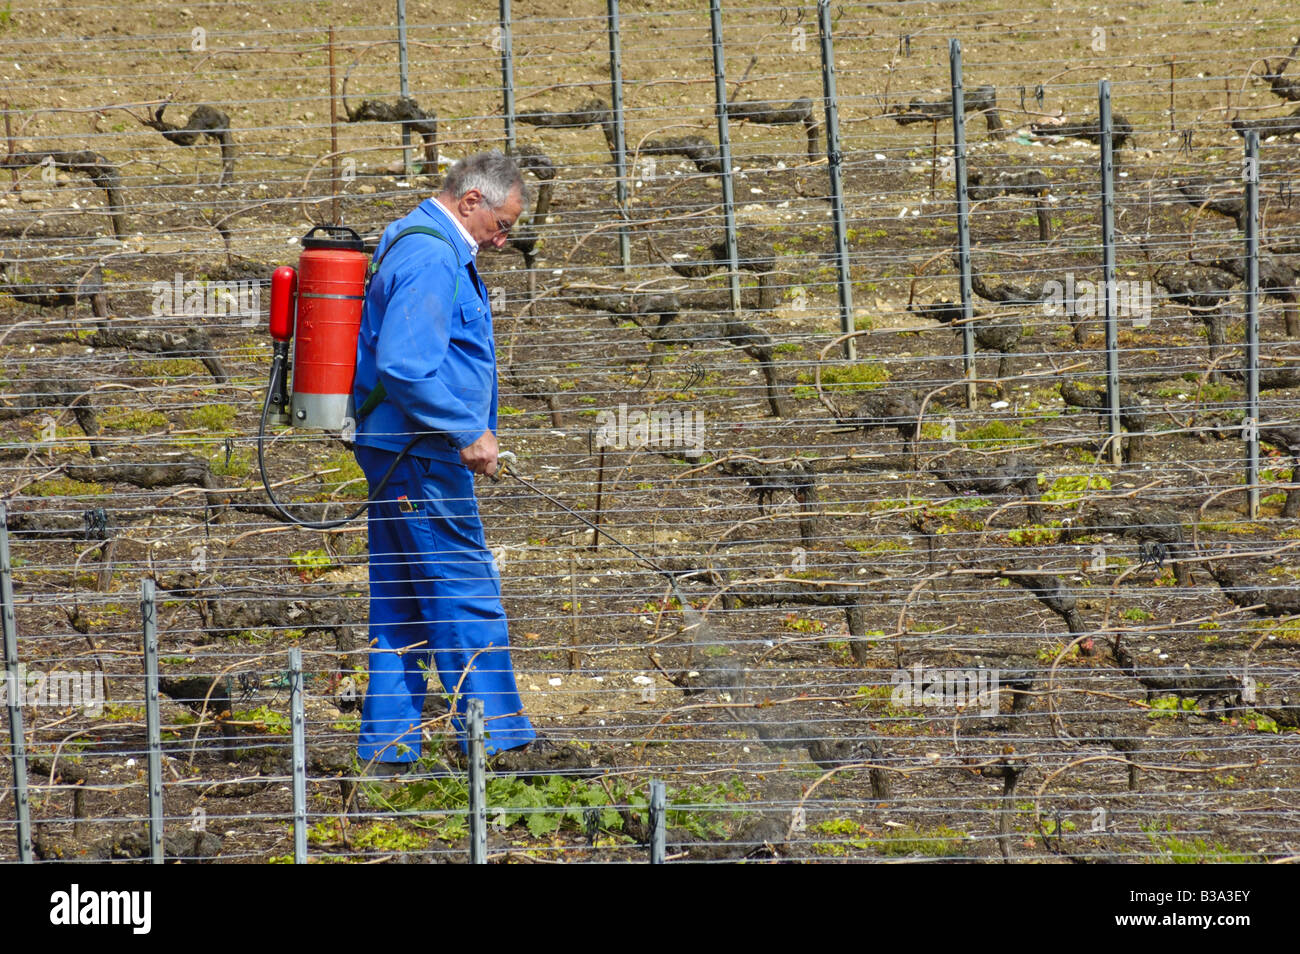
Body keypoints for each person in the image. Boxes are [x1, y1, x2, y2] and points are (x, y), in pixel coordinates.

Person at [351, 150, 535, 772]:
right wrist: (467, 430)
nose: (505, 240)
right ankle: (499, 748)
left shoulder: (415, 238)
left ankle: (388, 753)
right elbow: (405, 365)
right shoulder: (432, 255)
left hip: (395, 447)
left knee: (402, 601)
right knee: (465, 590)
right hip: (420, 454)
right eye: (503, 224)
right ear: (471, 201)